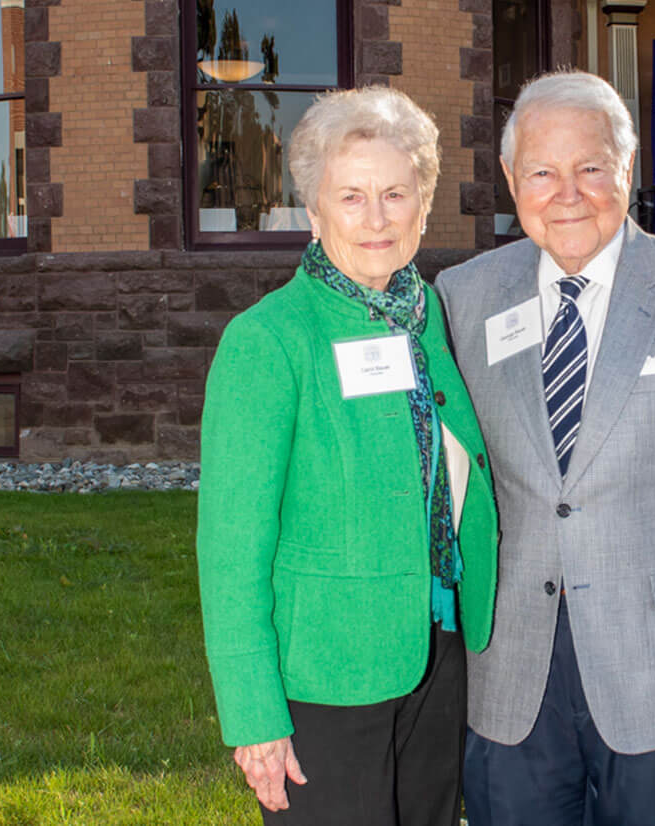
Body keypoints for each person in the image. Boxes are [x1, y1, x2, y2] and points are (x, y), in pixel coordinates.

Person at [435, 70, 655, 826]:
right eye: (542, 172)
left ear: (627, 167)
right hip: (509, 670)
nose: (568, 193)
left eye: (590, 167)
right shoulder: (462, 298)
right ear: (511, 179)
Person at [197, 85, 498, 826]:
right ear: (314, 210)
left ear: (423, 205)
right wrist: (254, 715)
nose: (377, 218)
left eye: (395, 194)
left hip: (439, 650)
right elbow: (230, 551)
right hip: (325, 677)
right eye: (352, 196)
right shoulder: (268, 340)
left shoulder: (430, 317)